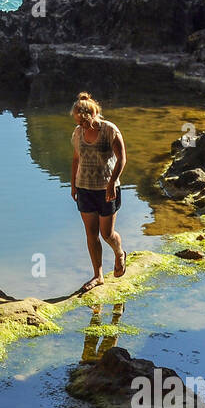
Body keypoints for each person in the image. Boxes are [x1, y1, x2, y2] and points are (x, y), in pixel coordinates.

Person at [70, 92, 127, 290]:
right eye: (78, 122)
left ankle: (119, 253)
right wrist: (73, 184)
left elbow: (122, 159)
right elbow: (76, 159)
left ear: (93, 115)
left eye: (84, 122)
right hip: (84, 188)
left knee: (107, 233)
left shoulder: (110, 130)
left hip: (107, 189)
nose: (80, 126)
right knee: (91, 233)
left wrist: (112, 183)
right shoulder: (77, 133)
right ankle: (98, 276)